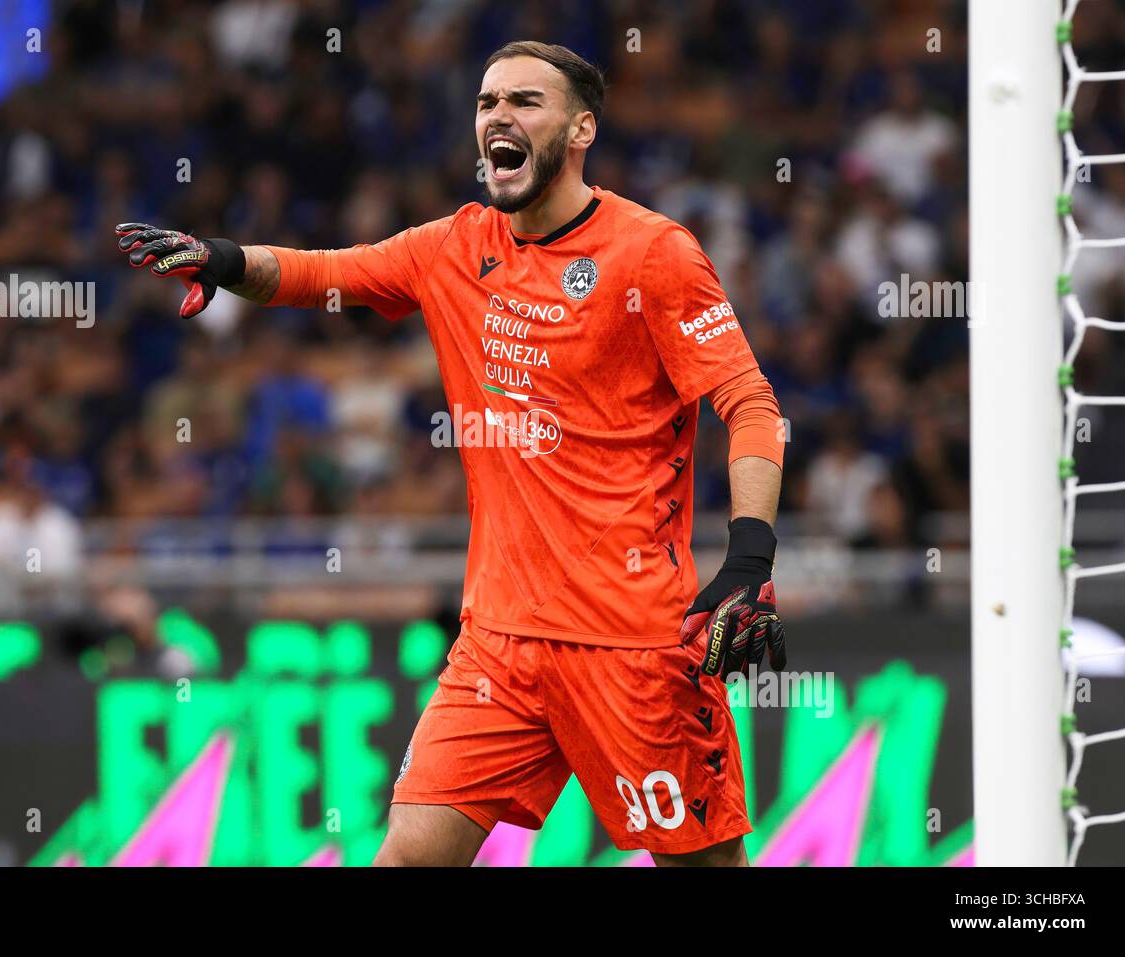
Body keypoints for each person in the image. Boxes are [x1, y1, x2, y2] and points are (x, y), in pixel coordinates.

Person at [115, 41, 787, 867]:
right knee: (407, 855)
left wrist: (750, 556)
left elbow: (749, 404)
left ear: (581, 130)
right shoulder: (454, 247)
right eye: (486, 102)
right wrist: (222, 259)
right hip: (499, 642)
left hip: (633, 643)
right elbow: (327, 273)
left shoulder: (654, 254)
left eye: (525, 102)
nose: (498, 116)